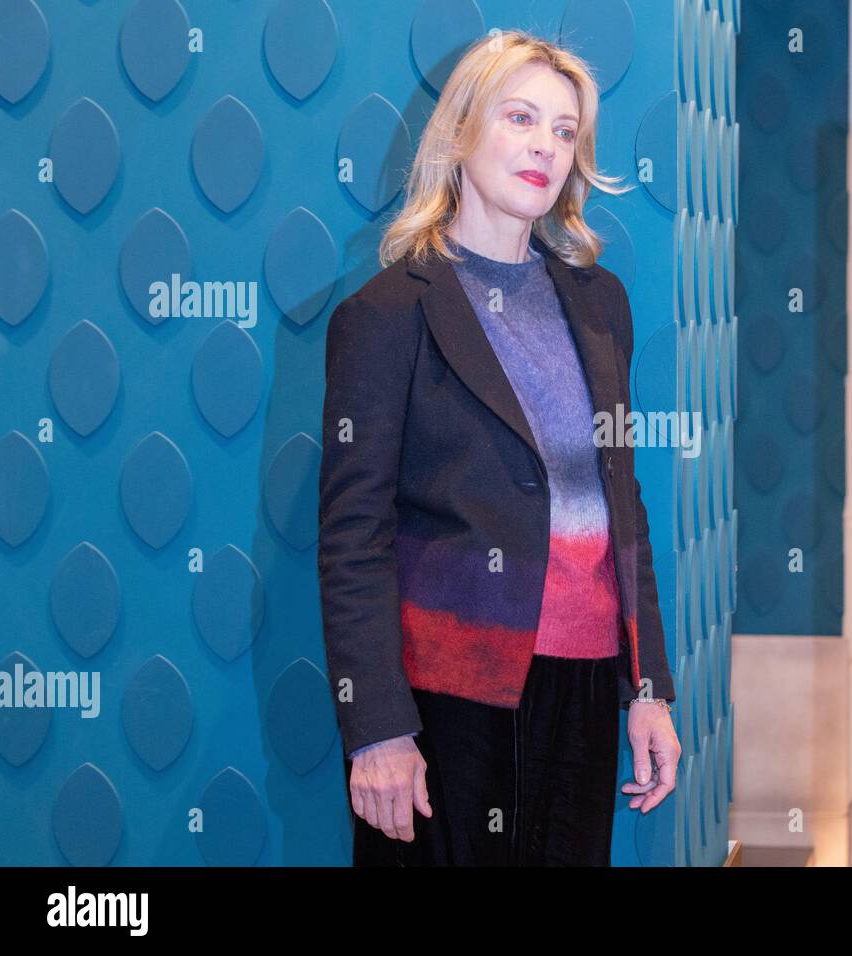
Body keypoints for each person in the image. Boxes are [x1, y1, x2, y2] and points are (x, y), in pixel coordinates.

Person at [317, 30, 680, 866]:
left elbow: (625, 516)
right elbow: (353, 541)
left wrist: (648, 686)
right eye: (521, 118)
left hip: (584, 689)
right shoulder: (386, 314)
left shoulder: (600, 305)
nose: (545, 147)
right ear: (461, 131)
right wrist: (376, 728)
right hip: (449, 698)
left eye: (564, 131)